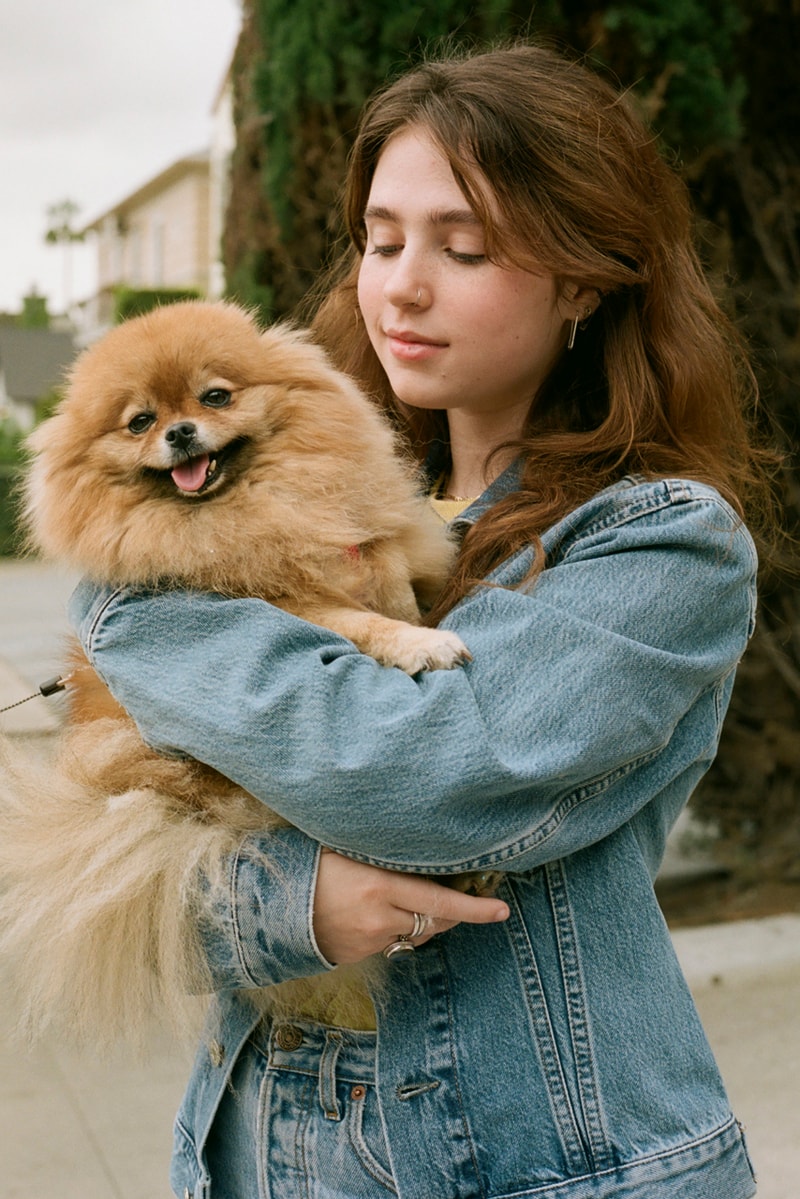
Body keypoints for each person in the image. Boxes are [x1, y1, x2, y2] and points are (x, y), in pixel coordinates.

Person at [69, 42, 772, 1199]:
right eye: (381, 241)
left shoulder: (658, 540)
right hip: (256, 1153)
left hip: (539, 1164)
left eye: (463, 247)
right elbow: (126, 892)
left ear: (586, 275)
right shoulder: (309, 502)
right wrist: (298, 904)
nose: (399, 285)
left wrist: (133, 609)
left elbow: (422, 776)